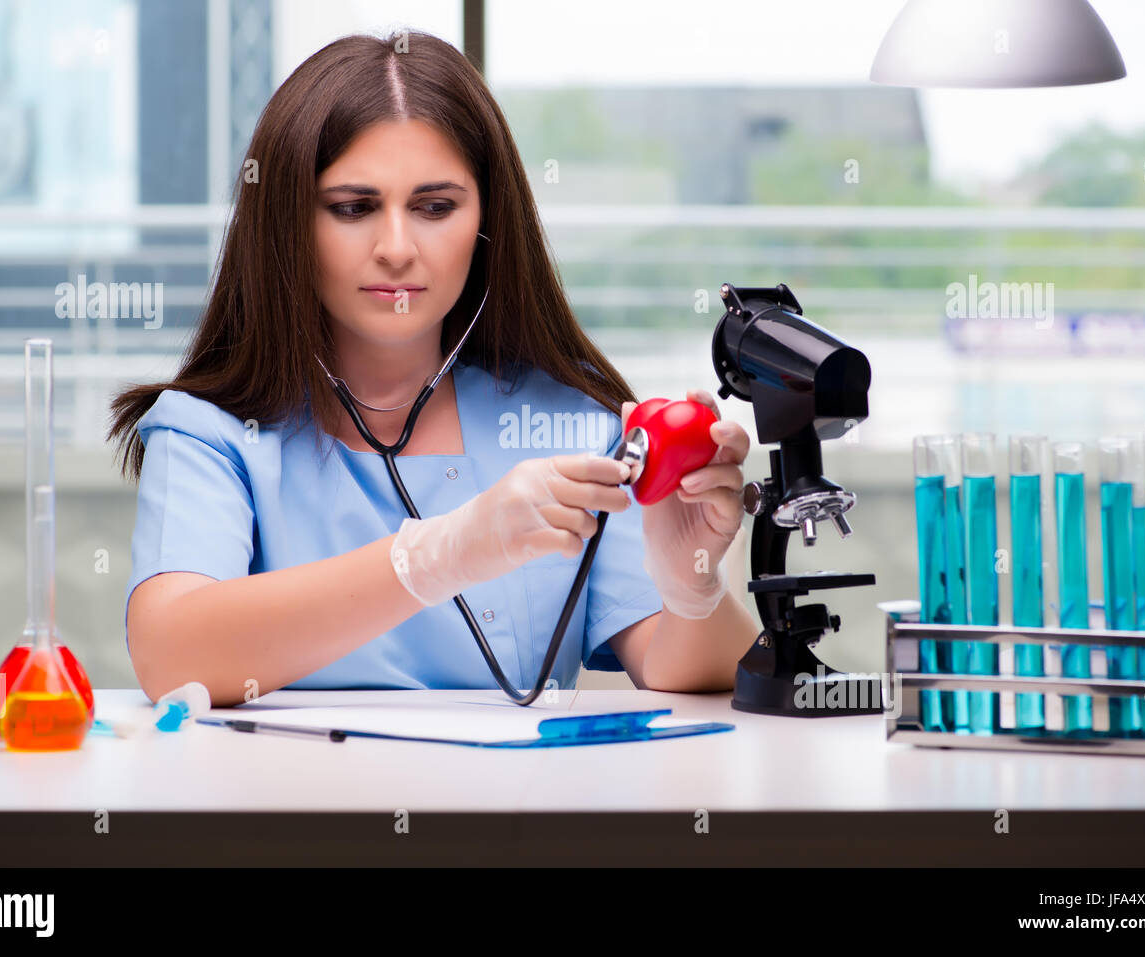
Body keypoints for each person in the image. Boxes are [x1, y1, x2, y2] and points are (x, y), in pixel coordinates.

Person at [108, 30, 760, 708]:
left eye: (435, 207)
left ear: (487, 221)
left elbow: (679, 669)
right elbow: (170, 654)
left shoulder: (575, 424)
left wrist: (693, 589)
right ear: (288, 224)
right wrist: (438, 553)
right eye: (353, 207)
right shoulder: (211, 432)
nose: (396, 248)